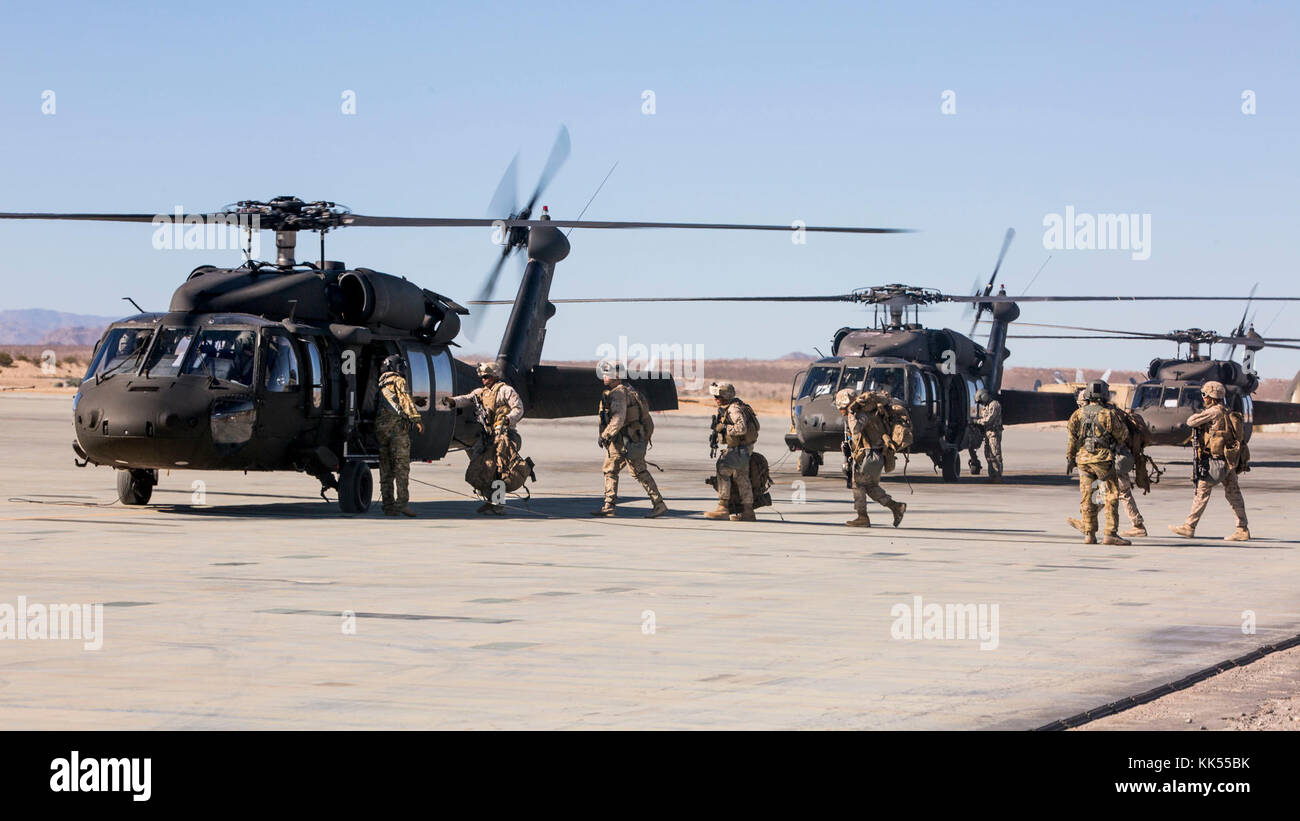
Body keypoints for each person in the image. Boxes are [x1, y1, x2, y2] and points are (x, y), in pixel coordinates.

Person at [1169, 380, 1250, 541]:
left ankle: (1189, 526)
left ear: (1211, 397)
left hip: (1214, 461)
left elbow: (1191, 421)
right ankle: (1242, 529)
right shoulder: (1228, 411)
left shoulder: (1214, 412)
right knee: (1234, 494)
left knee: (1202, 492)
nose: (1203, 398)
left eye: (1204, 395)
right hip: (1228, 461)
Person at [443, 361, 525, 515]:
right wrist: (452, 401)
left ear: (494, 376)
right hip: (487, 436)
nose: (483, 379)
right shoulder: (481, 392)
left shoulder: (506, 391)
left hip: (505, 435)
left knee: (499, 470)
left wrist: (507, 419)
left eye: (486, 377)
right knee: (480, 467)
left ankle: (498, 504)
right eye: (482, 377)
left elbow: (518, 408)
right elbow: (467, 399)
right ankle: (489, 500)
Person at [592, 366, 667, 518]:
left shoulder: (618, 393)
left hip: (626, 440)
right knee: (610, 469)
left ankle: (659, 504)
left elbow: (618, 419)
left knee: (638, 472)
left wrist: (605, 435)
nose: (605, 377)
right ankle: (609, 505)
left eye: (608, 374)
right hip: (628, 439)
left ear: (616, 376)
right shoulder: (629, 390)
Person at [1065, 380, 1130, 545]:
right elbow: (1122, 435)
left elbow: (1072, 439)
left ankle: (1089, 533)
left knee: (1088, 496)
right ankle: (1110, 533)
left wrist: (1070, 458)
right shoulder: (1109, 414)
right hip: (1102, 460)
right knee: (1111, 494)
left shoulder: (1077, 414)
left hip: (1083, 460)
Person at [838, 388, 907, 528]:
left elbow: (856, 429)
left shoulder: (863, 413)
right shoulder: (865, 412)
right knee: (870, 487)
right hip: (872, 456)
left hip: (871, 456)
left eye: (841, 408)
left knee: (858, 485)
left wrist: (851, 413)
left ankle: (862, 517)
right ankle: (896, 507)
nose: (840, 411)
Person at [375, 354, 423, 517]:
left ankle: (388, 506)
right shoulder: (398, 381)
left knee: (386, 469)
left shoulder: (381, 383)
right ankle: (402, 503)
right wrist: (416, 419)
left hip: (382, 430)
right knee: (402, 467)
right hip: (397, 430)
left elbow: (391, 402)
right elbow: (404, 400)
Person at [703, 382, 759, 522]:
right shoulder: (732, 406)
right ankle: (748, 511)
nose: (715, 398)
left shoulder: (734, 409)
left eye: (718, 396)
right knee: (741, 478)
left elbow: (741, 428)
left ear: (726, 396)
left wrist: (724, 428)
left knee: (723, 469)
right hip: (743, 449)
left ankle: (723, 508)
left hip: (739, 449)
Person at [972, 389, 1004, 482]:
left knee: (995, 454)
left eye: (981, 401)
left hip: (994, 433)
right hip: (988, 433)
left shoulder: (994, 405)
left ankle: (997, 476)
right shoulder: (986, 406)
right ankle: (992, 475)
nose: (981, 404)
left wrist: (977, 422)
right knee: (988, 454)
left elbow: (989, 419)